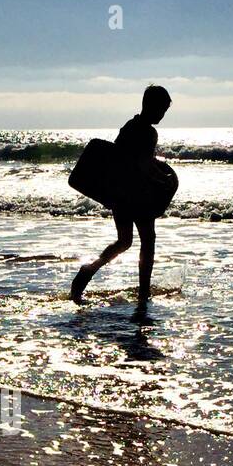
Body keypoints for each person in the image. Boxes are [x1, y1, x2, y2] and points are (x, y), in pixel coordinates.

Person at [71, 84, 173, 322]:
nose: (162, 115)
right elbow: (143, 166)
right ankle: (144, 293)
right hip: (138, 195)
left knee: (124, 241)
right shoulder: (148, 132)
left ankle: (89, 269)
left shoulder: (129, 126)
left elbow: (119, 158)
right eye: (162, 110)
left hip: (120, 195)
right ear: (152, 106)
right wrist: (165, 179)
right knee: (148, 241)